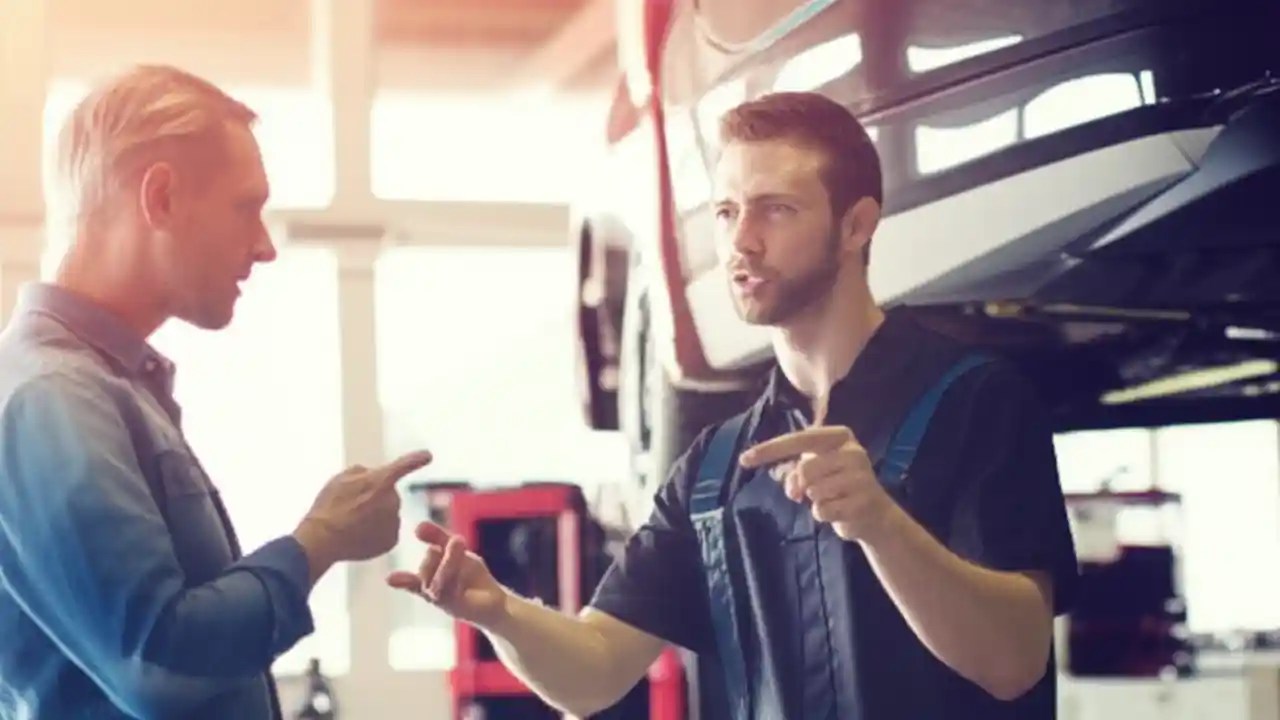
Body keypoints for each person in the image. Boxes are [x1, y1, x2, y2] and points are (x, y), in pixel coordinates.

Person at [389, 91, 1080, 719]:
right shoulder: (717, 466)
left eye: (776, 209)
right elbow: (594, 672)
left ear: (856, 226)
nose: (740, 240)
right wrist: (501, 615)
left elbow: (1014, 662)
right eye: (726, 211)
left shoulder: (976, 401)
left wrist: (881, 525)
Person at [0, 64, 431, 720]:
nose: (264, 248)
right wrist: (319, 541)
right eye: (245, 208)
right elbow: (158, 665)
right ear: (162, 197)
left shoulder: (99, 389)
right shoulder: (56, 397)